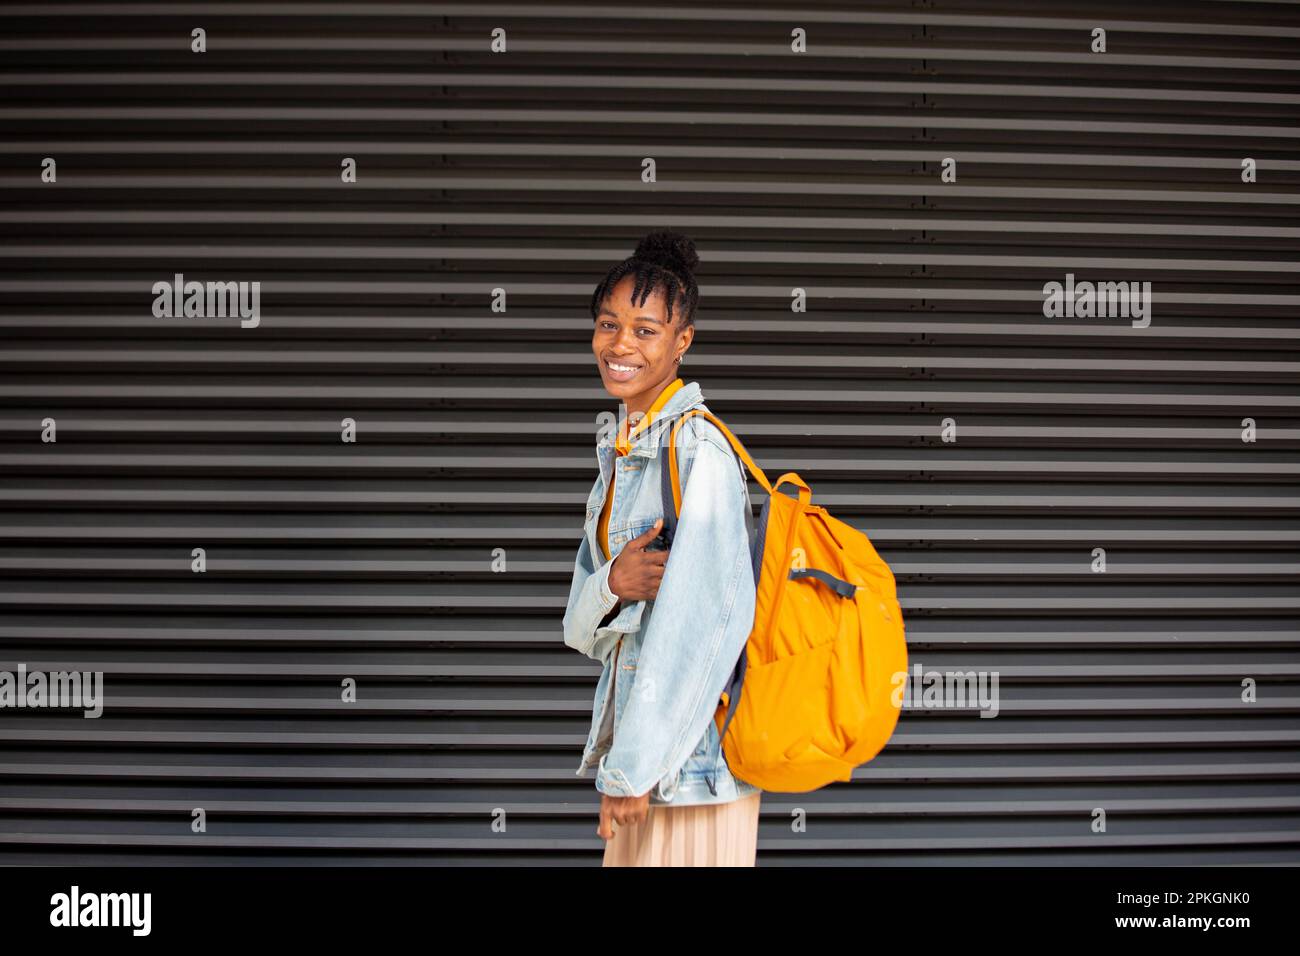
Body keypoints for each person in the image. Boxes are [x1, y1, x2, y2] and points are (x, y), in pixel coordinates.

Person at [563, 230, 762, 866]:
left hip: (688, 773)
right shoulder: (621, 455)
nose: (620, 345)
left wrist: (635, 771)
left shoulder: (697, 452)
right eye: (608, 324)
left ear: (682, 343)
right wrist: (613, 584)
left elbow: (704, 630)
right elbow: (577, 628)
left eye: (646, 330)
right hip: (643, 767)